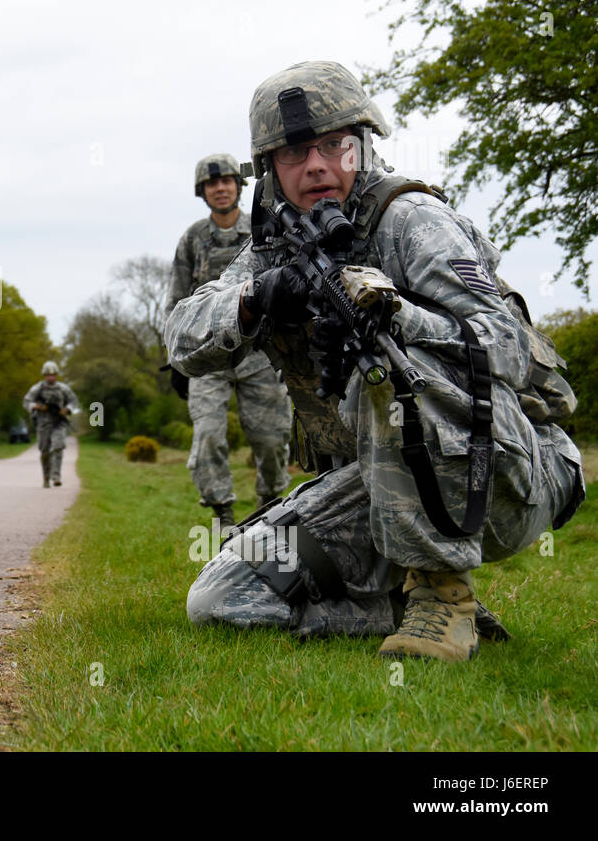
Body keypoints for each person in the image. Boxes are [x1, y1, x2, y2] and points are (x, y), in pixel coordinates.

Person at [167, 60, 585, 662]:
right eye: (293, 153)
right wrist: (258, 298)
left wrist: (399, 317)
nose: (316, 165)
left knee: (379, 363)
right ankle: (396, 598)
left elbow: (507, 347)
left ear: (363, 146)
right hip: (375, 482)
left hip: (504, 472)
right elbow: (182, 339)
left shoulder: (412, 221)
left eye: (334, 145)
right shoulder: (273, 249)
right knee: (225, 599)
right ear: (268, 170)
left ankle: (443, 597)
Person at [165, 153, 293, 533]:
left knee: (271, 441)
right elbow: (174, 301)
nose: (220, 189)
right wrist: (174, 358)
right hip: (208, 356)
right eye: (211, 183)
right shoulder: (192, 240)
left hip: (260, 354)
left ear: (239, 186)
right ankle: (222, 515)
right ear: (202, 191)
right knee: (208, 437)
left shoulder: (264, 229)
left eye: (226, 182)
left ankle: (269, 509)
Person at [23, 362, 78, 488]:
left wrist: (67, 409)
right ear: (44, 375)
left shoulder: (63, 388)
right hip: (43, 423)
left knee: (58, 446)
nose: (50, 377)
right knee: (44, 451)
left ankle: (56, 476)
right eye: (48, 375)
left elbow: (73, 401)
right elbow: (26, 401)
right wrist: (36, 406)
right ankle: (46, 478)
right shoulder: (37, 388)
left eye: (53, 375)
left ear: (56, 375)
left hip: (59, 422)